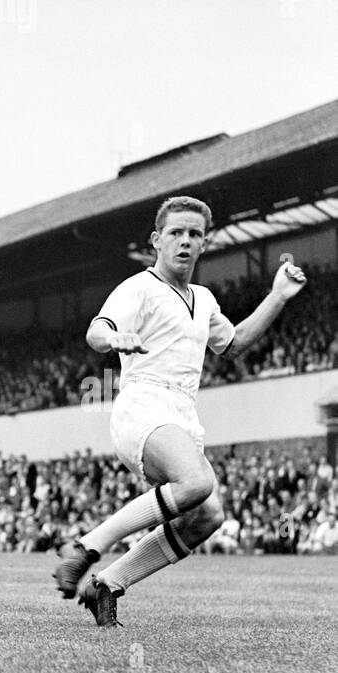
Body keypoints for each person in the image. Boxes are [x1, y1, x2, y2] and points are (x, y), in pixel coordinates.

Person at [52, 196, 308, 626]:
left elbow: (235, 342)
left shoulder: (204, 298)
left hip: (183, 411)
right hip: (143, 402)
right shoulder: (139, 287)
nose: (184, 241)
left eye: (194, 234)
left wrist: (278, 295)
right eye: (176, 233)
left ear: (204, 243)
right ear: (157, 240)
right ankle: (84, 548)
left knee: (208, 515)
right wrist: (115, 341)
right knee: (196, 482)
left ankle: (107, 584)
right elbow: (97, 331)